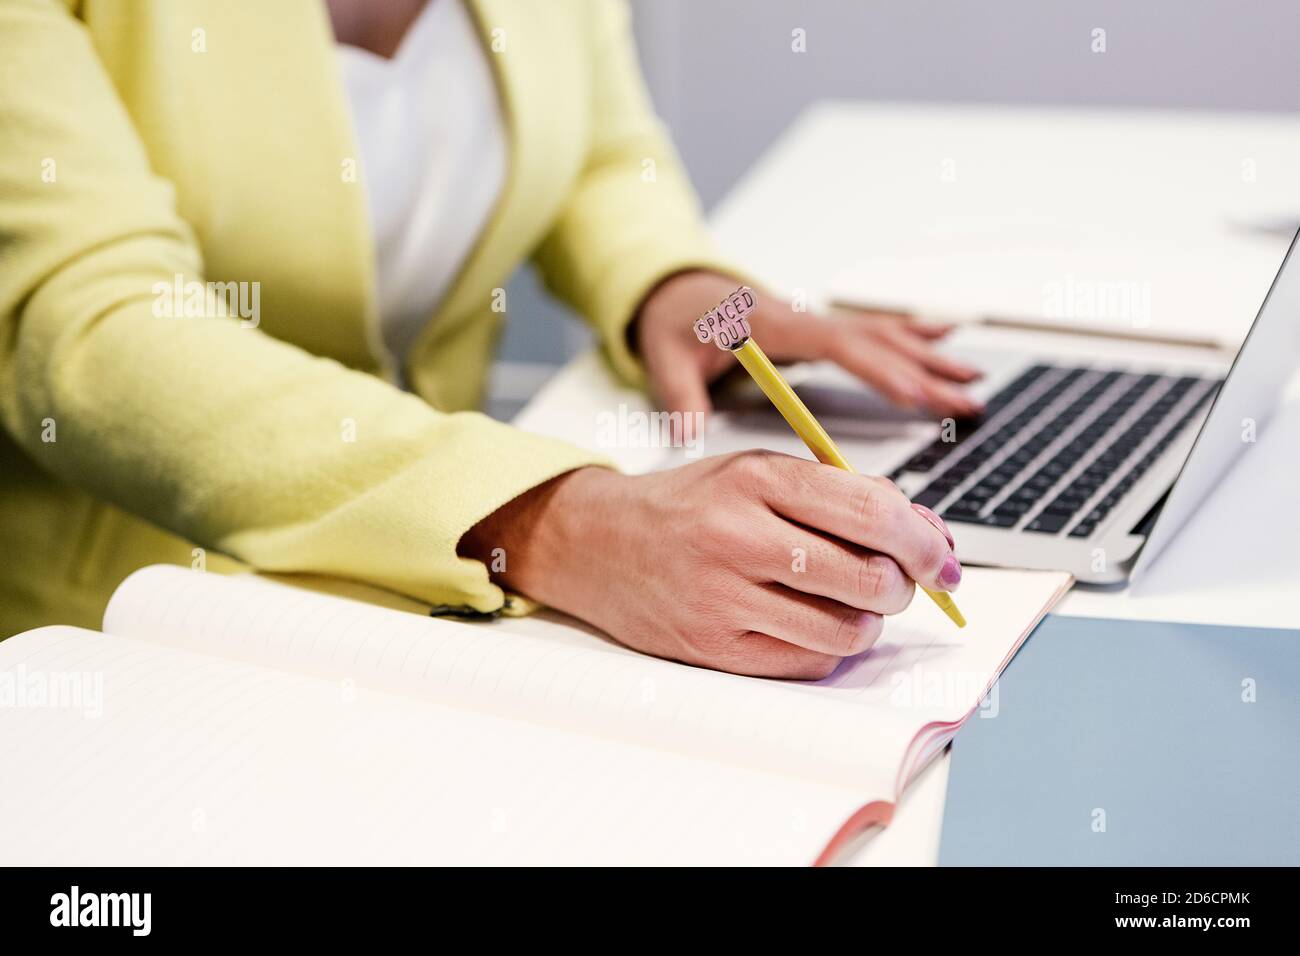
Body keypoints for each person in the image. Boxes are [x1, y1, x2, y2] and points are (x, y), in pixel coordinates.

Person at [0, 0, 979, 676]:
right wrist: (554, 522)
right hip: (143, 622)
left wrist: (671, 283)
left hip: (442, 617)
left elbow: (598, 155)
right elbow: (90, 326)